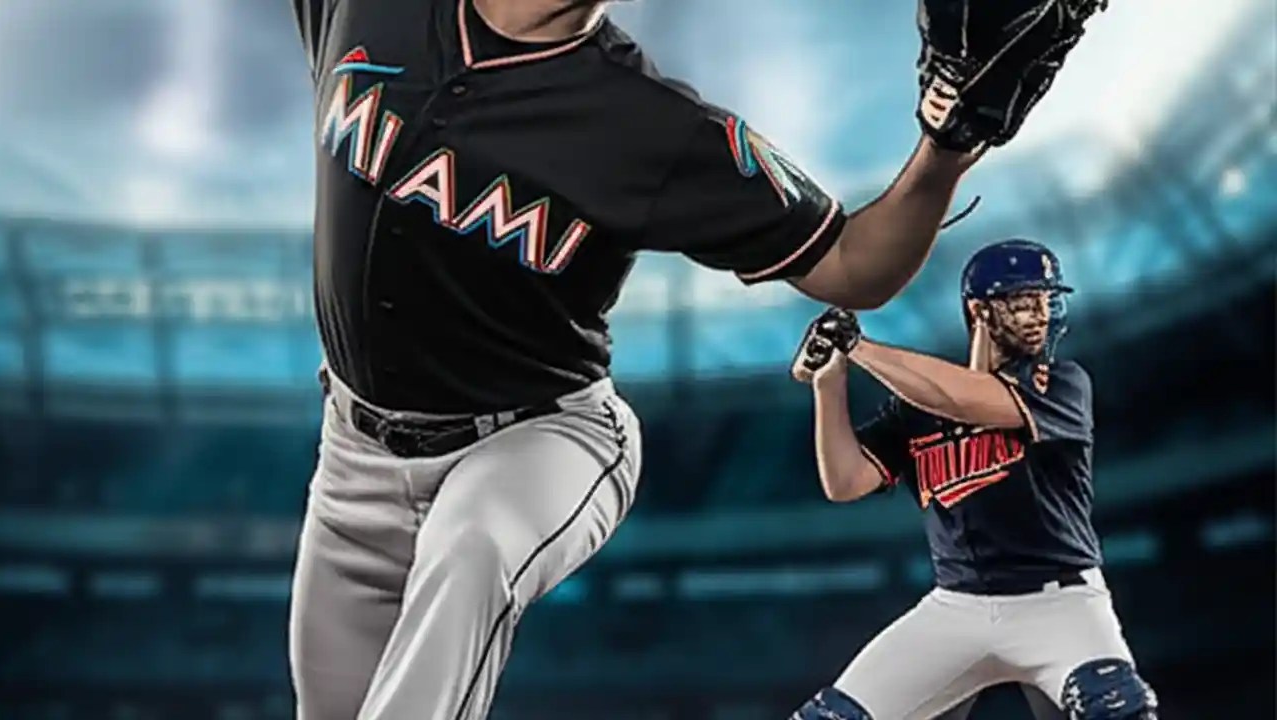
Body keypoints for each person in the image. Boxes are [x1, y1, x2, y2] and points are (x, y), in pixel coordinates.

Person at [279, 0, 1104, 715]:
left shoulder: (649, 127)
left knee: (474, 547)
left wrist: (945, 150)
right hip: (352, 453)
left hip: (535, 440)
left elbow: (855, 266)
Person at [788, 239, 1158, 719]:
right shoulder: (914, 408)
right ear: (979, 311)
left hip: (1060, 603)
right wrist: (829, 381)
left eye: (1044, 301)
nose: (1038, 315)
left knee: (1117, 708)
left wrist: (858, 347)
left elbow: (963, 399)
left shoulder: (1062, 382)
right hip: (956, 606)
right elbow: (844, 481)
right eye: (1022, 302)